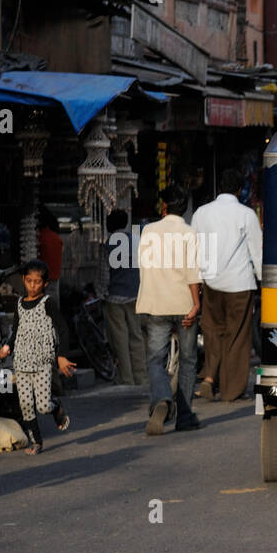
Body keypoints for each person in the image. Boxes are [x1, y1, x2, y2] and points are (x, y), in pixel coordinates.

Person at [191, 168, 262, 403]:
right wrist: (263, 280)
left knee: (212, 332)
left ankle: (209, 378)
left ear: (219, 188)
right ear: (240, 190)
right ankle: (232, 390)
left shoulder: (201, 213)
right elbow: (256, 251)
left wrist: (197, 280)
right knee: (237, 335)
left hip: (210, 282)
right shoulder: (246, 214)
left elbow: (195, 248)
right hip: (239, 283)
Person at [137, 185, 202, 435]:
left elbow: (144, 267)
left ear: (164, 207)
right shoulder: (189, 232)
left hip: (155, 304)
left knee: (155, 359)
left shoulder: (148, 232)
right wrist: (196, 305)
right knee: (188, 360)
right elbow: (192, 273)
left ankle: (163, 398)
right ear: (184, 208)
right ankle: (184, 417)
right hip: (183, 304)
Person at [0, 260, 74, 454]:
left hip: (42, 363)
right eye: (29, 281)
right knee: (25, 405)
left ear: (45, 284)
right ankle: (36, 442)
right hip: (21, 362)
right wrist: (7, 345)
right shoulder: (19, 303)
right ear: (23, 280)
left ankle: (56, 407)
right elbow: (16, 329)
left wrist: (62, 356)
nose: (32, 285)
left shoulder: (47, 303)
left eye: (37, 282)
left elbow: (63, 329)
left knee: (42, 406)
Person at [103, 210, 147, 387]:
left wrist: (101, 294)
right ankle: (141, 377)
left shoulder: (109, 244)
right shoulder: (136, 240)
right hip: (136, 295)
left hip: (115, 297)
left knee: (120, 339)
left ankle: (127, 379)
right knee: (136, 336)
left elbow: (104, 274)